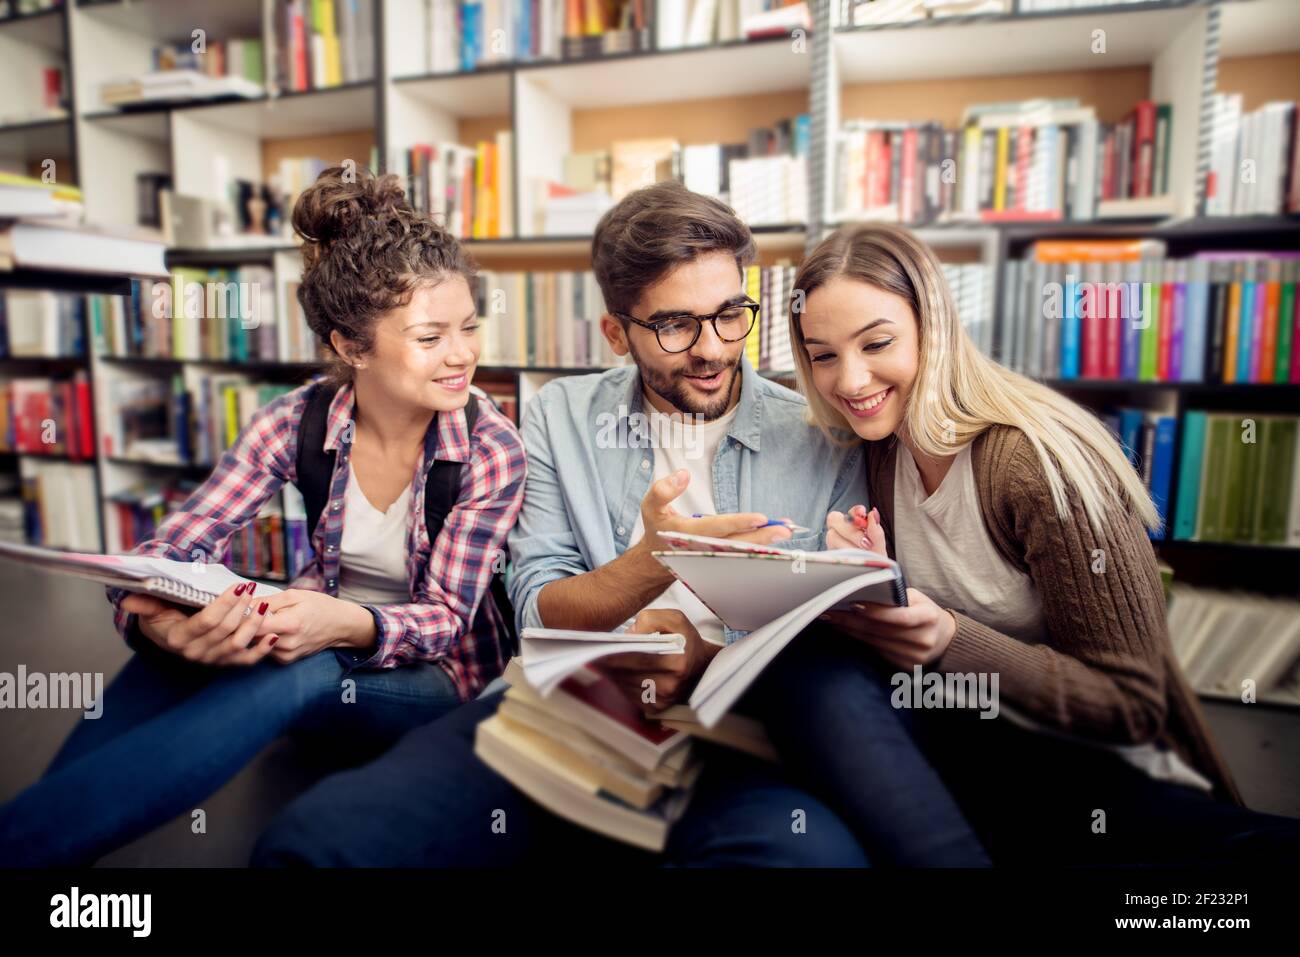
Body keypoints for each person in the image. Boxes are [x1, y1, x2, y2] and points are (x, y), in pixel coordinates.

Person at [251, 181, 910, 867]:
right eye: (675, 325)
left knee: (812, 860)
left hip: (735, 741)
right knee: (316, 842)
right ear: (617, 333)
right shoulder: (559, 414)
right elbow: (536, 607)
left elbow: (832, 630)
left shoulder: (821, 432)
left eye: (729, 315)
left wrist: (704, 652)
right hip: (560, 714)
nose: (713, 349)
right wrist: (652, 561)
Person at [0, 166, 527, 867]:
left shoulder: (491, 447)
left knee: (297, 663)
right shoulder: (294, 420)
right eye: (431, 337)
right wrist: (161, 621)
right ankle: (30, 846)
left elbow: (444, 621)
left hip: (432, 681)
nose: (463, 353)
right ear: (350, 345)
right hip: (308, 638)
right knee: (178, 652)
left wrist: (335, 621)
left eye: (467, 326)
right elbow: (174, 544)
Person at [763, 222, 1300, 865]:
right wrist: (865, 576)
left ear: (932, 330)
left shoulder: (1033, 467)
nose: (849, 380)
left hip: (1098, 770)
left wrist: (951, 641)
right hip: (976, 739)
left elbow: (1132, 706)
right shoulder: (879, 450)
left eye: (876, 343)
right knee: (803, 675)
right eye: (823, 355)